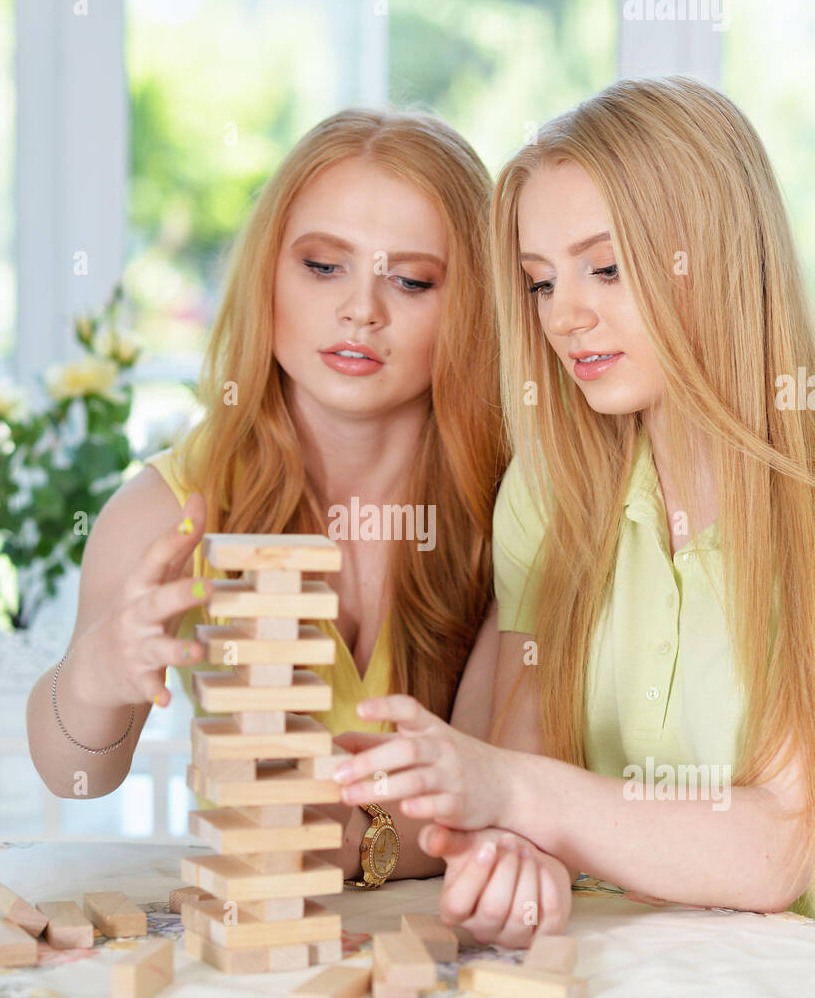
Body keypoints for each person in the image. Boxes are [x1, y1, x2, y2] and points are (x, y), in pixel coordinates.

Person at [27, 107, 573, 937]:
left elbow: (492, 796)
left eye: (411, 280)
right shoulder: (166, 509)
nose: (360, 311)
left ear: (475, 308)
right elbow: (77, 777)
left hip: (441, 941)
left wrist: (361, 845)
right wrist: (97, 674)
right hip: (250, 931)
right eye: (322, 266)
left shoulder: (515, 510)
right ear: (267, 276)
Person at [335, 76, 815, 922]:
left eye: (605, 267)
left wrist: (510, 794)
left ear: (721, 255)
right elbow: (520, 761)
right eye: (541, 281)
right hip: (611, 975)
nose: (564, 317)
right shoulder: (550, 488)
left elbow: (778, 849)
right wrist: (507, 851)